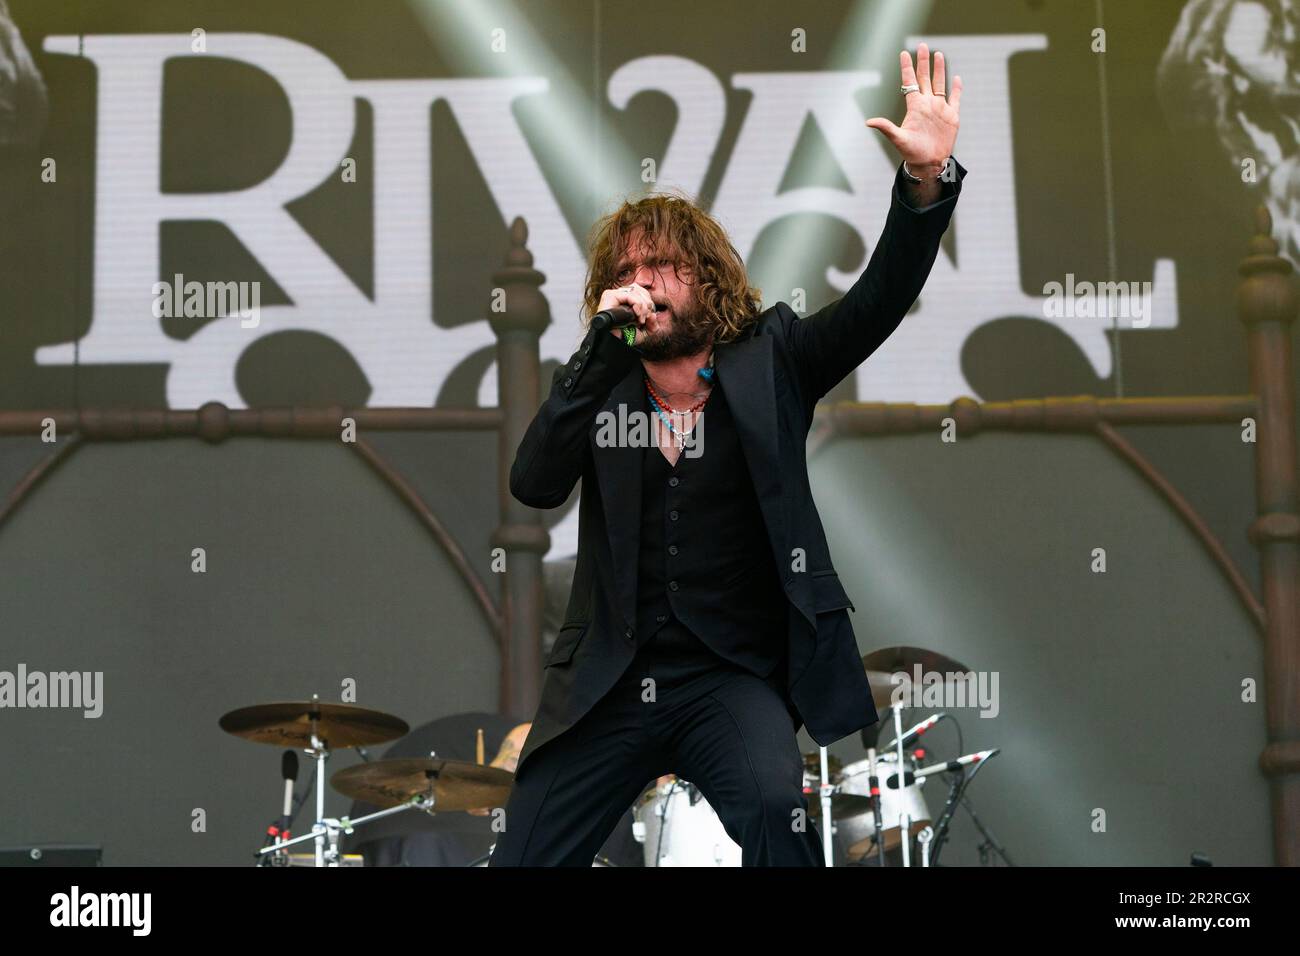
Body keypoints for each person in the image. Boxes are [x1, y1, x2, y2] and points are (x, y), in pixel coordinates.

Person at [490, 44, 964, 866]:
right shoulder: (603, 382)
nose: (643, 282)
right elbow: (533, 484)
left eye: (663, 266)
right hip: (608, 683)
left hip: (730, 678)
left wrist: (924, 186)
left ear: (706, 280)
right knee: (522, 852)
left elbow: (878, 301)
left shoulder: (772, 357)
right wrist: (598, 354)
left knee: (780, 817)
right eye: (627, 269)